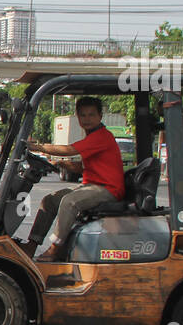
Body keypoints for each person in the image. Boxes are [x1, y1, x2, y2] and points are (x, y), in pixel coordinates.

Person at [22, 96, 126, 261]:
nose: (87, 119)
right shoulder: (92, 138)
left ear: (100, 116)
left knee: (69, 201)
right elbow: (82, 167)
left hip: (108, 189)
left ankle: (55, 248)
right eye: (83, 115)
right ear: (78, 117)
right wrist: (59, 164)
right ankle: (32, 245)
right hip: (92, 186)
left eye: (91, 115)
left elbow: (70, 150)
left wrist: (37, 146)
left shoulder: (102, 136)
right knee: (50, 200)